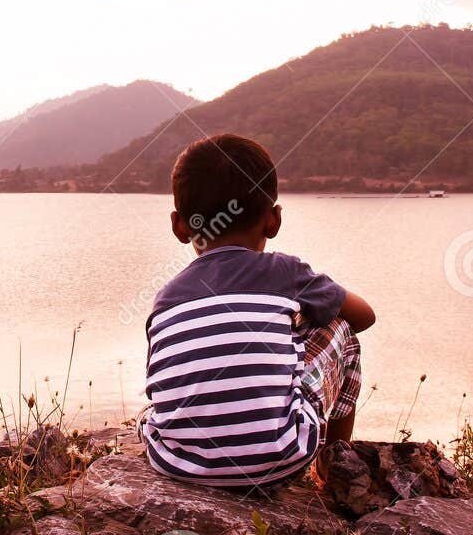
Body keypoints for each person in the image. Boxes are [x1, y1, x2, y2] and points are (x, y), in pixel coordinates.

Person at [139, 133, 375, 487]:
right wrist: (305, 316)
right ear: (273, 220)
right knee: (343, 332)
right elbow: (364, 317)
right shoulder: (286, 273)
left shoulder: (165, 299)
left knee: (149, 412)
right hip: (281, 457)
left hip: (175, 465)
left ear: (180, 226)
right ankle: (333, 470)